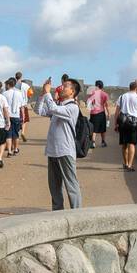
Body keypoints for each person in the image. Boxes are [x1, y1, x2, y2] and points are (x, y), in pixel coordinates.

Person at [39, 76, 82, 209]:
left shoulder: (73, 107)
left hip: (65, 150)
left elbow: (52, 108)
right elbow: (39, 111)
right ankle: (57, 211)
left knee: (71, 184)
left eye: (66, 86)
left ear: (72, 92)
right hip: (53, 150)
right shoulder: (59, 106)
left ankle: (77, 212)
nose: (62, 87)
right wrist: (42, 95)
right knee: (54, 185)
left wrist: (47, 93)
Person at [115, 80, 137, 172]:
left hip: (123, 122)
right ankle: (130, 165)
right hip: (133, 123)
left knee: (124, 144)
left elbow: (117, 112)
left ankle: (125, 163)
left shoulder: (121, 97)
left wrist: (115, 124)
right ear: (136, 88)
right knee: (131, 144)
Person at [2, 77, 25, 157]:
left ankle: (9, 151)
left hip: (7, 116)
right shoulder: (19, 93)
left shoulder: (4, 94)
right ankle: (15, 149)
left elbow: (3, 107)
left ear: (8, 85)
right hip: (16, 116)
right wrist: (23, 117)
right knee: (15, 134)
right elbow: (22, 107)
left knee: (8, 134)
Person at [87, 80, 109, 149]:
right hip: (101, 112)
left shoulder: (92, 93)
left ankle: (93, 142)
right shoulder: (105, 94)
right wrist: (108, 113)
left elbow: (89, 102)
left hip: (93, 113)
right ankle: (103, 142)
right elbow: (106, 105)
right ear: (101, 86)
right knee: (103, 128)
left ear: (97, 86)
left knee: (94, 128)